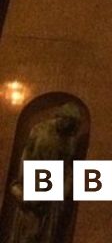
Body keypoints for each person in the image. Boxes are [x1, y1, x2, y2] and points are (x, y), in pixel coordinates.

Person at [6, 103, 84, 243]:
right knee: (29, 227)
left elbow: (67, 166)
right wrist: (23, 181)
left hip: (53, 185)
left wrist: (64, 188)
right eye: (66, 120)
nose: (67, 125)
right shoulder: (40, 130)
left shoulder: (70, 139)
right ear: (61, 117)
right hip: (35, 179)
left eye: (71, 123)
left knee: (46, 230)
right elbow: (27, 155)